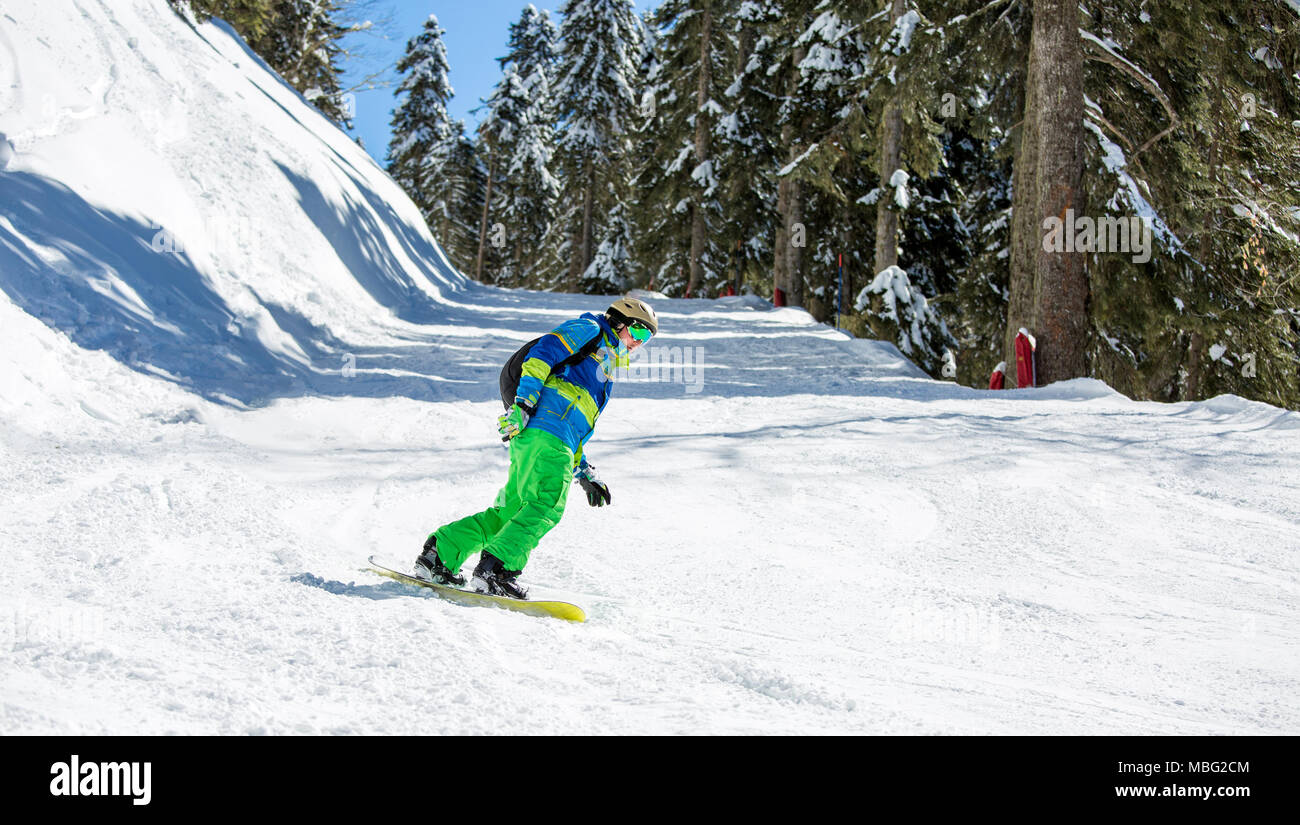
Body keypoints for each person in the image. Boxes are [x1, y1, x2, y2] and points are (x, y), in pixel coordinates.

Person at [412, 297, 659, 599]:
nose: (638, 342)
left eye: (646, 340)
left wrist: (584, 472)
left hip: (543, 437)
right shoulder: (590, 328)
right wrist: (524, 403)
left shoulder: (604, 371)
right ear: (619, 321)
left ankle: (440, 555)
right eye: (639, 332)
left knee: (511, 513)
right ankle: (496, 571)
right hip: (543, 430)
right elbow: (543, 354)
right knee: (546, 504)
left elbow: (575, 426)